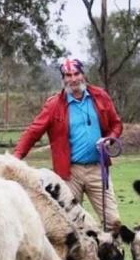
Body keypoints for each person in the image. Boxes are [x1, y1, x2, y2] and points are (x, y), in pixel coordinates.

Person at [13, 58, 123, 232]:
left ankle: (113, 249)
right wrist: (15, 159)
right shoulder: (54, 105)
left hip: (98, 168)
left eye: (76, 73)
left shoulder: (100, 96)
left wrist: (110, 138)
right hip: (69, 173)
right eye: (68, 75)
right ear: (63, 79)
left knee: (113, 221)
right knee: (72, 224)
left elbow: (116, 124)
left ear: (83, 75)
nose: (73, 79)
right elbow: (33, 132)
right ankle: (84, 250)